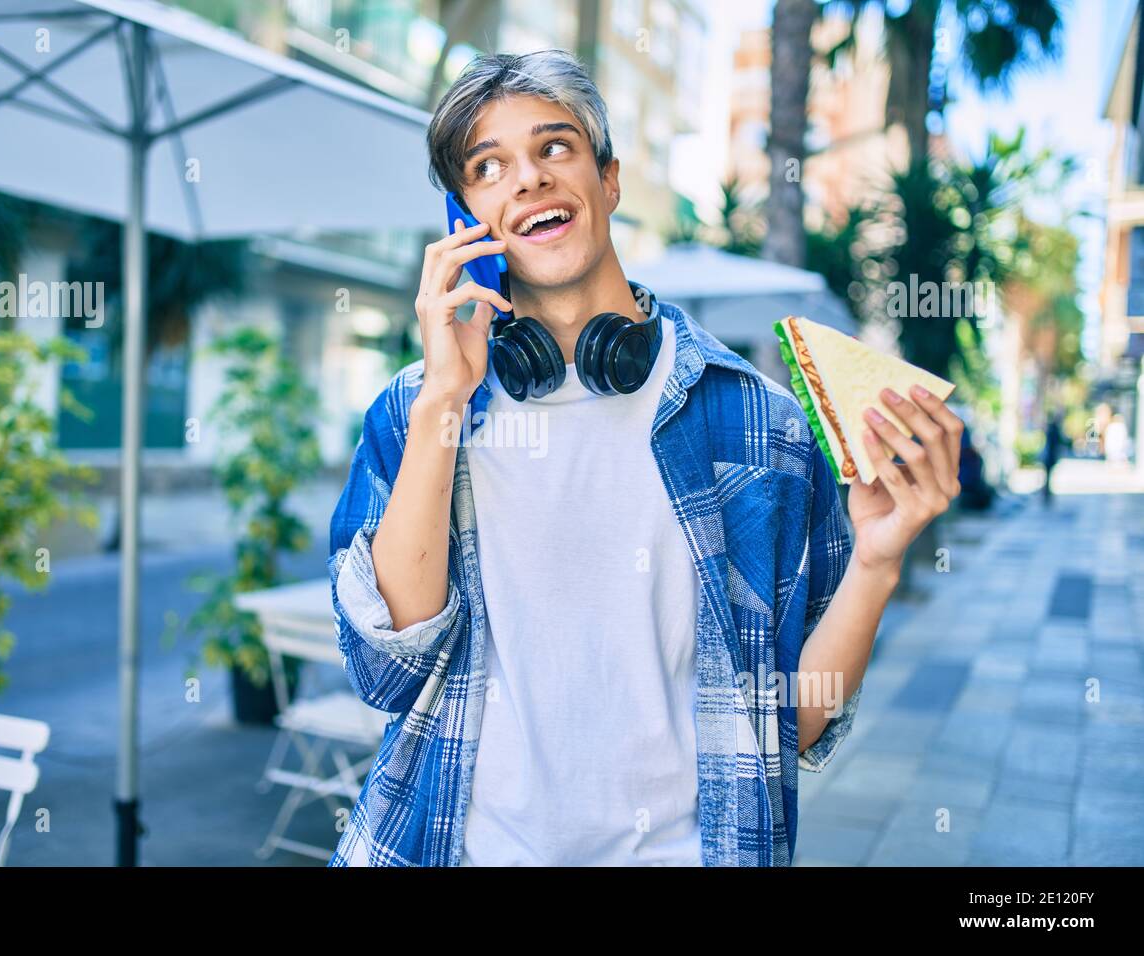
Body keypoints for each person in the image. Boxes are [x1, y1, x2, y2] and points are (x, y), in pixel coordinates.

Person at [326, 50, 963, 867]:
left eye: (554, 148)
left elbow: (788, 723)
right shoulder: (417, 413)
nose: (528, 180)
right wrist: (444, 403)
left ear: (610, 179)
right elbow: (386, 673)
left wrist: (877, 562)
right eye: (490, 166)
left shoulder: (760, 424)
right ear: (465, 217)